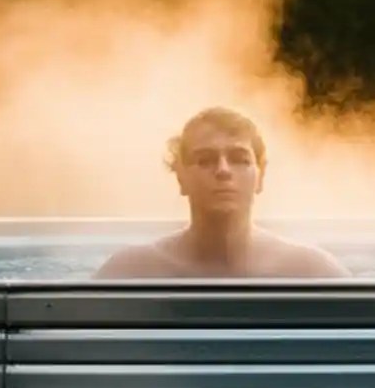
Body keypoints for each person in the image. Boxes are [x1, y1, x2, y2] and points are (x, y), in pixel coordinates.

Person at [93, 106, 352, 279]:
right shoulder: (132, 271)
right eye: (205, 160)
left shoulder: (310, 272)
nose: (223, 171)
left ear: (260, 174)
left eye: (239, 159)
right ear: (180, 176)